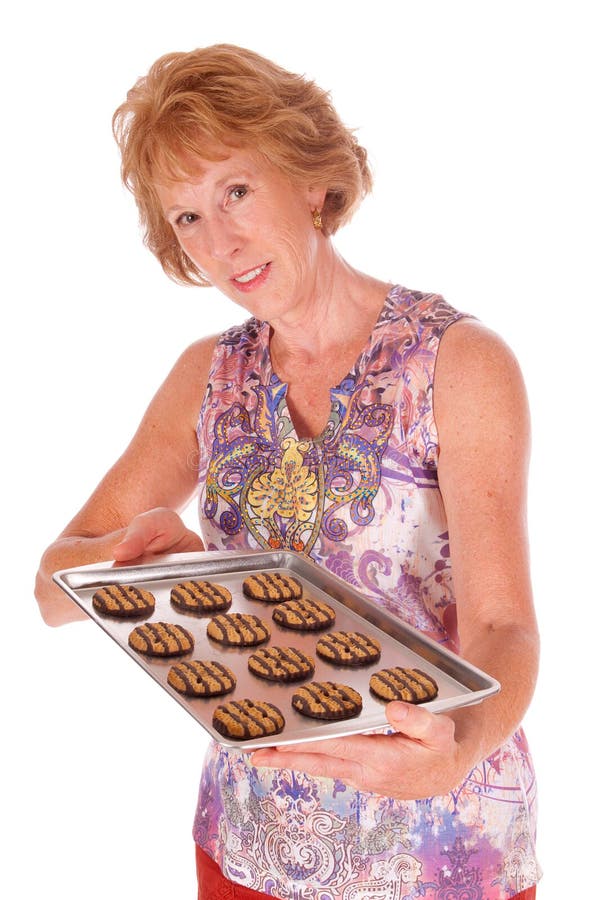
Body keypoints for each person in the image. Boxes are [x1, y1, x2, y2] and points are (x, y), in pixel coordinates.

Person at [35, 44, 541, 899]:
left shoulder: (457, 362)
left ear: (309, 180)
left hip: (439, 847)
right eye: (187, 217)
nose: (221, 242)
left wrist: (456, 744)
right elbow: (53, 590)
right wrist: (139, 554)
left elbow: (504, 626)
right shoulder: (207, 376)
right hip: (249, 842)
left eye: (234, 191)